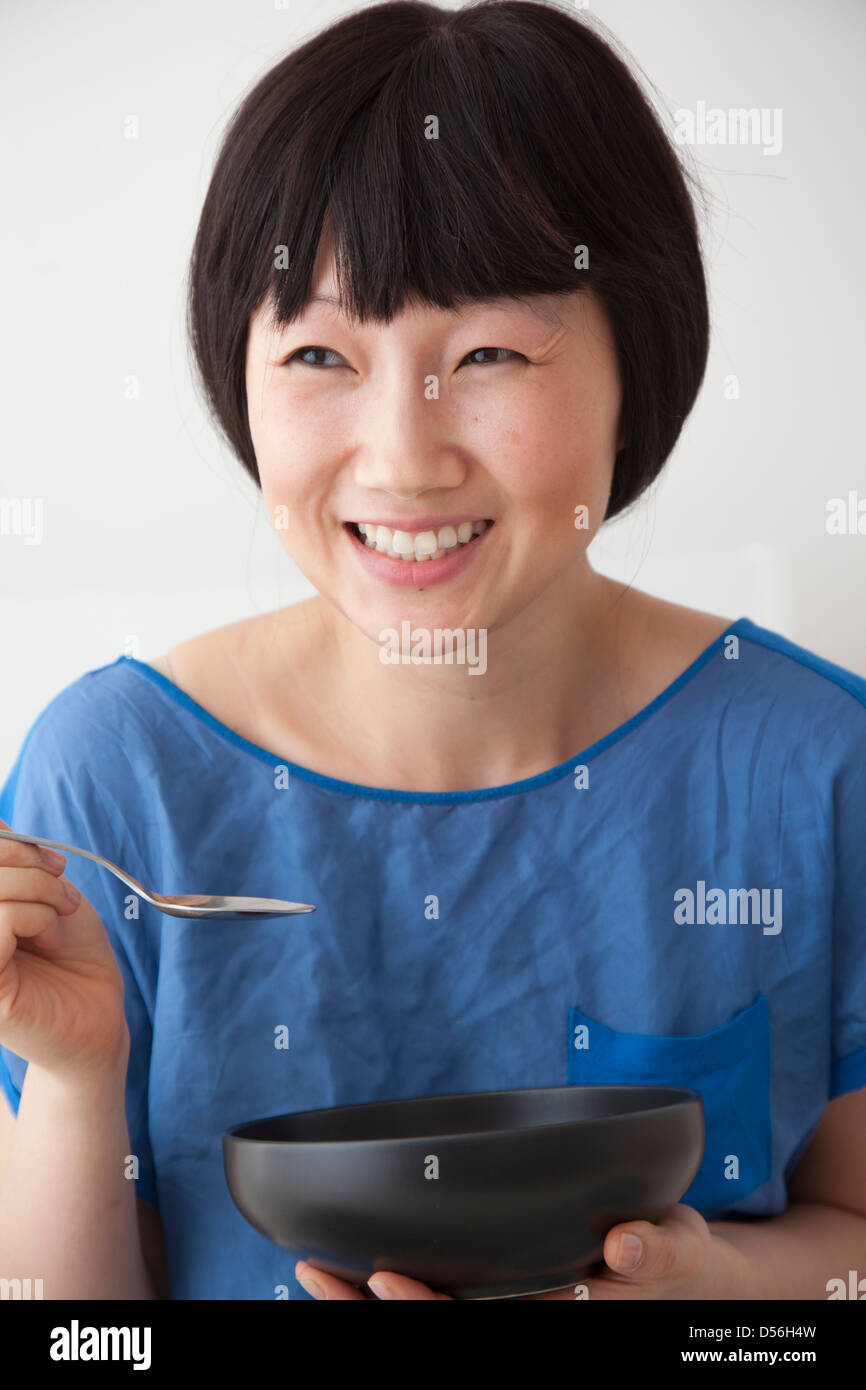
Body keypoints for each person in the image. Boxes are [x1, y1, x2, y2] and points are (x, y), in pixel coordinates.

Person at [1, 0, 864, 1302]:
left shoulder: (815, 766)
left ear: (644, 353)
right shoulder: (110, 780)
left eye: (488, 351)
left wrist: (710, 1294)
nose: (401, 459)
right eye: (317, 353)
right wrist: (72, 1077)